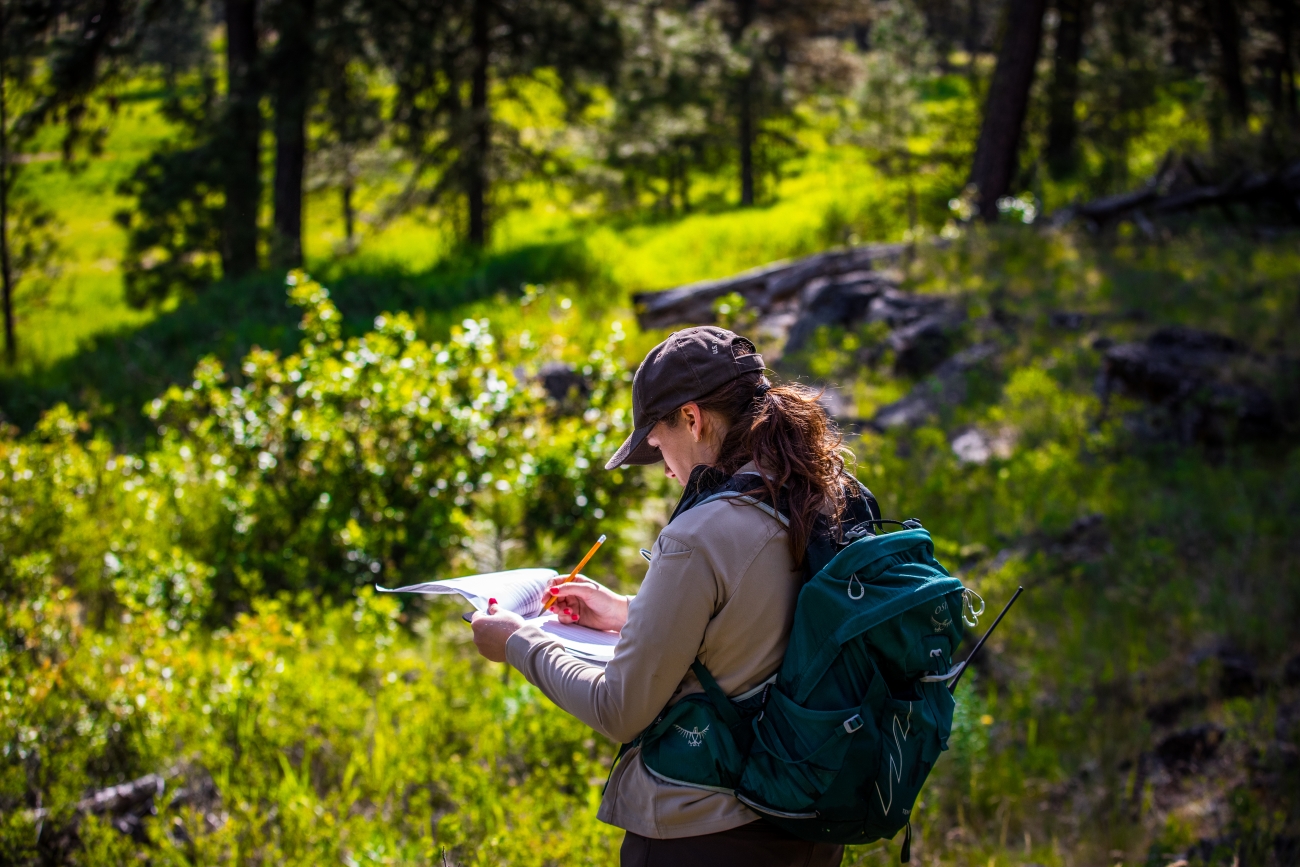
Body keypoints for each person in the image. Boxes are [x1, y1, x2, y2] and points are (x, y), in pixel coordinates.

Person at [471, 326, 858, 867]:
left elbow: (618, 709)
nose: (661, 459)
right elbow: (763, 624)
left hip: (706, 831)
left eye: (655, 440)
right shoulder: (819, 492)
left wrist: (518, 642)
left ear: (692, 418)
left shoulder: (699, 534)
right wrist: (630, 612)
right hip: (809, 824)